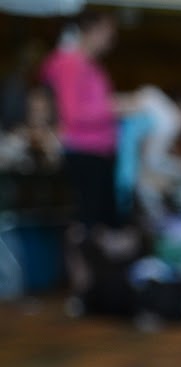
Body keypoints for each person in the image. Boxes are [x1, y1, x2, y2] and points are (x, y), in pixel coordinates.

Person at [38, 9, 122, 230]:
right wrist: (115, 108)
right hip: (83, 153)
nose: (111, 38)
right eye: (107, 31)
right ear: (90, 31)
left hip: (96, 154)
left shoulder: (89, 66)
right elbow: (73, 114)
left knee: (97, 227)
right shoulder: (69, 63)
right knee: (86, 228)